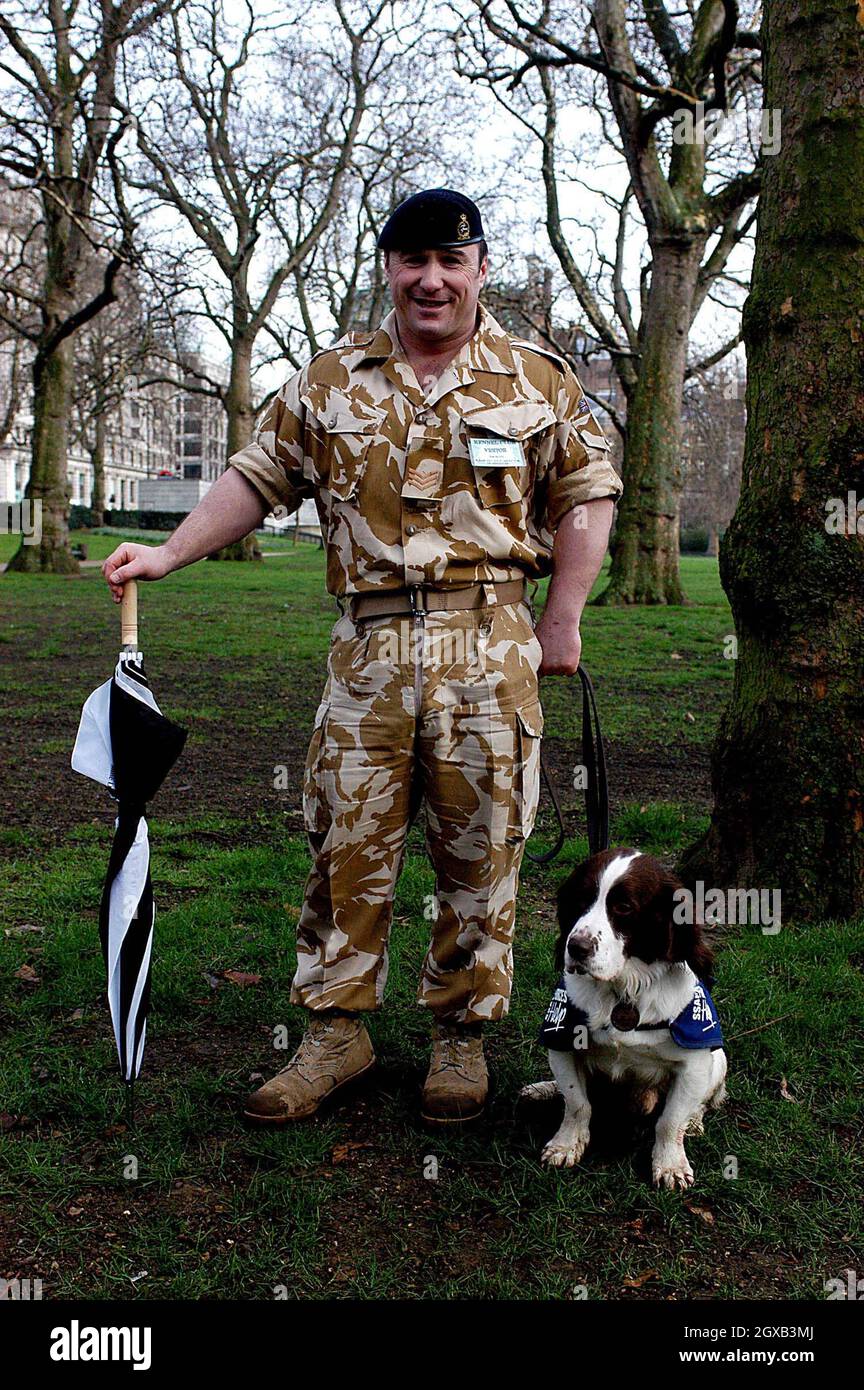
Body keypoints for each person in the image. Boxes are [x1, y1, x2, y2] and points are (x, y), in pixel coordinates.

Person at [102, 188, 623, 1127]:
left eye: (450, 262)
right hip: (370, 648)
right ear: (388, 267)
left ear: (479, 269)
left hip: (488, 641)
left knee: (482, 846)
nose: (431, 280)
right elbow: (256, 476)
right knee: (346, 844)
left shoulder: (537, 381)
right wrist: (170, 552)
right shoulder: (332, 379)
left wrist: (564, 619)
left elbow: (587, 495)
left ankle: (460, 1041)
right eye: (412, 261)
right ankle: (337, 1032)